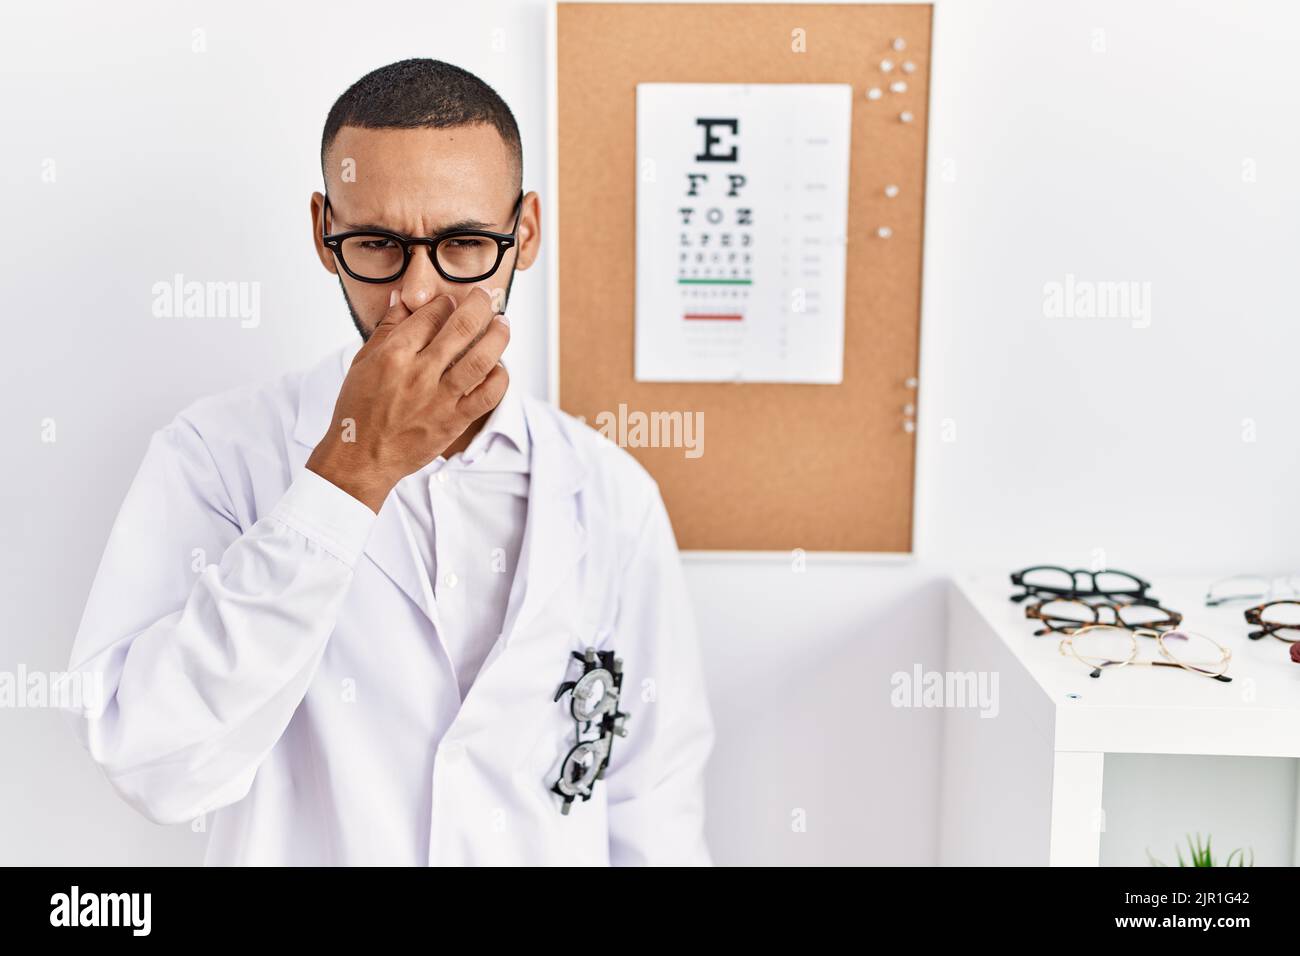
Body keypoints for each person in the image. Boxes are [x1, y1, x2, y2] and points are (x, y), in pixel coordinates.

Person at [63, 58, 715, 866]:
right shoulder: (216, 457)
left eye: (465, 243)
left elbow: (652, 803)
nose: (416, 293)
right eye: (376, 243)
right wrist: (348, 477)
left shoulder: (611, 494)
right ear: (322, 233)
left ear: (528, 233)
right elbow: (153, 763)